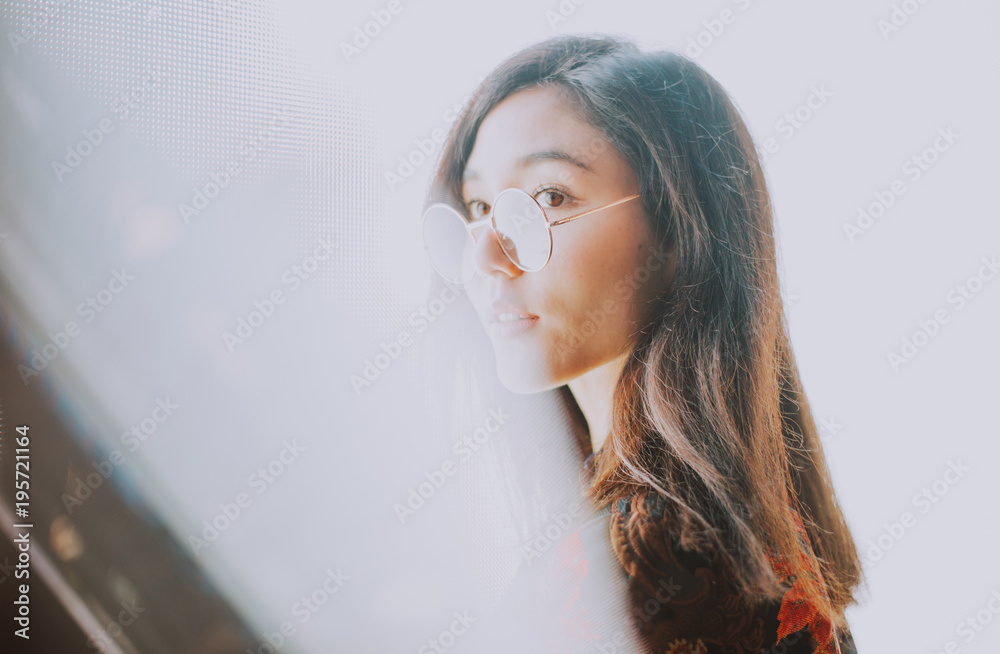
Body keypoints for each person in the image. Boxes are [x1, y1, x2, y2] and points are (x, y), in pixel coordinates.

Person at [421, 34, 863, 653]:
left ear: (678, 233)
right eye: (478, 205)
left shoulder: (666, 546)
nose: (487, 257)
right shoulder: (703, 521)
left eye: (548, 198)